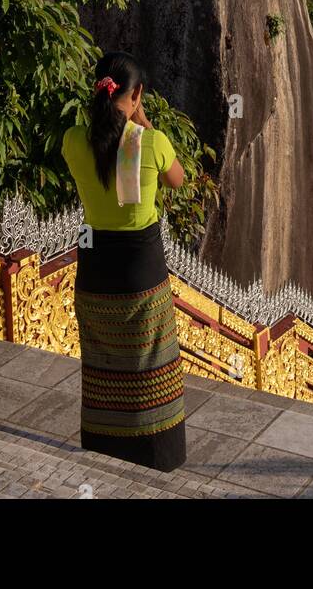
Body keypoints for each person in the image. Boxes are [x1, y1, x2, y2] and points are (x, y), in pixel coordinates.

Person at [61, 52, 187, 470]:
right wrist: (143, 124)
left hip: (95, 264)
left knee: (103, 361)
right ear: (137, 96)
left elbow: (100, 143)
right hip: (140, 268)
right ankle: (155, 455)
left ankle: (104, 445)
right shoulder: (150, 143)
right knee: (151, 362)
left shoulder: (73, 140)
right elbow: (178, 179)